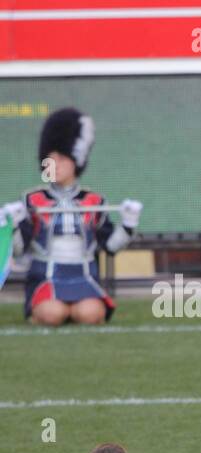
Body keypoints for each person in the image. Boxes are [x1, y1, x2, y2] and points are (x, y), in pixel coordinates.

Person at [2, 107, 142, 326]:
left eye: (62, 159)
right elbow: (19, 250)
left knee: (90, 315)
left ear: (76, 160)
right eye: (51, 159)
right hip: (45, 277)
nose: (55, 165)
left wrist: (129, 223)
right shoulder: (32, 200)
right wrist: (13, 225)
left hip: (84, 277)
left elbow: (112, 247)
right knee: (51, 315)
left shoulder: (94, 201)